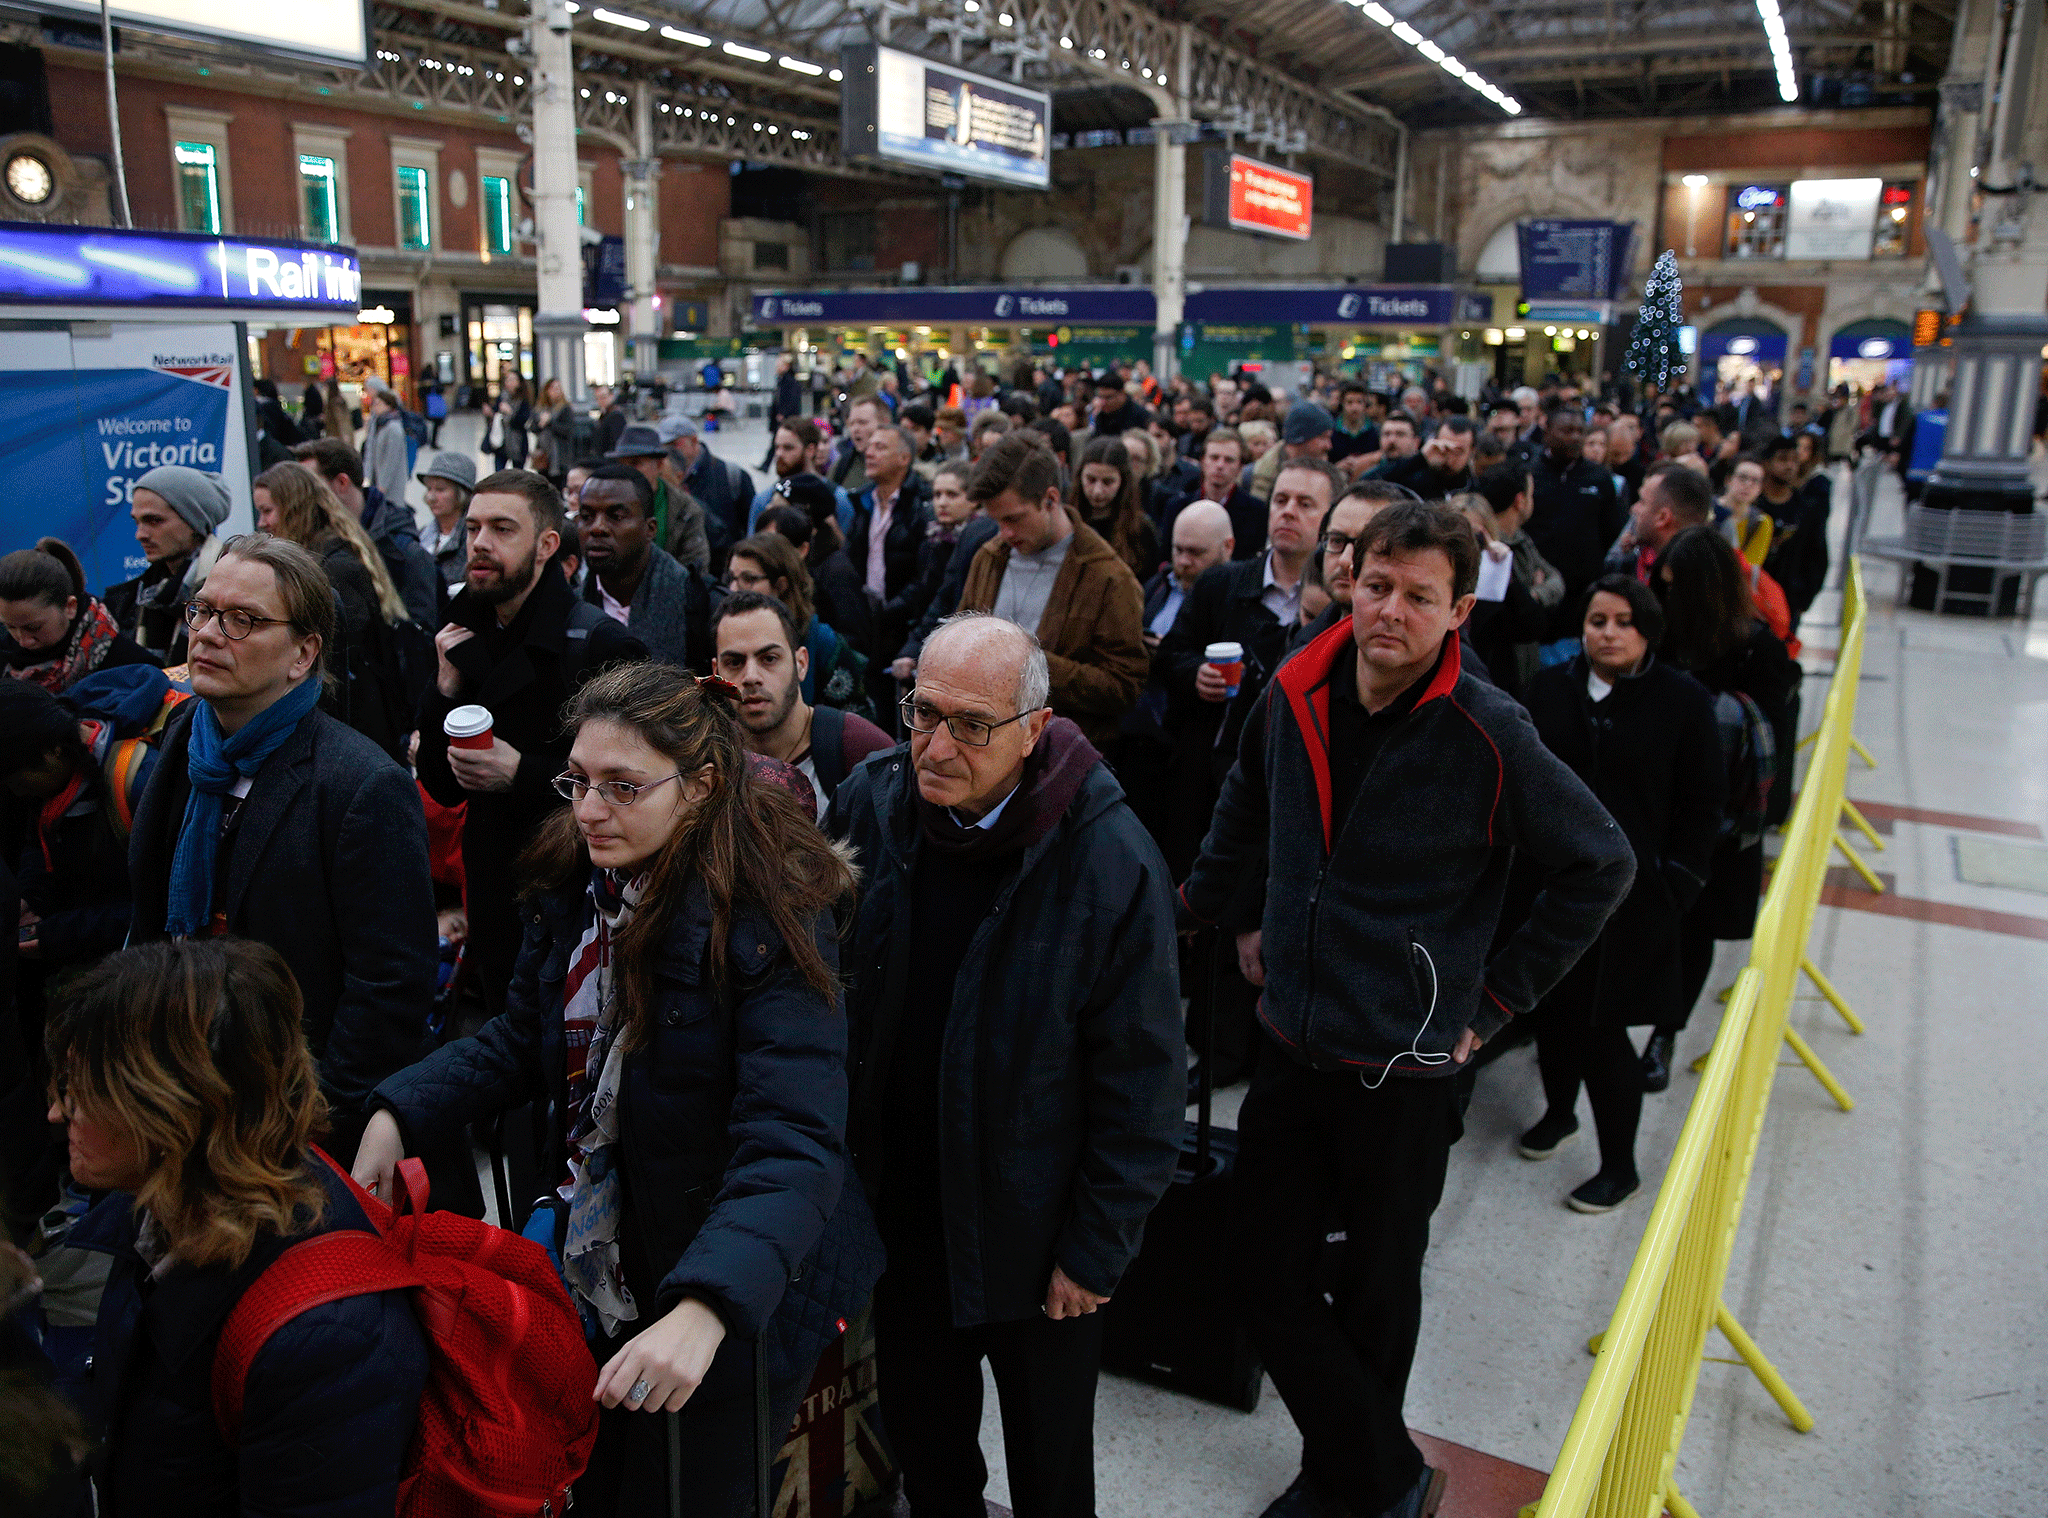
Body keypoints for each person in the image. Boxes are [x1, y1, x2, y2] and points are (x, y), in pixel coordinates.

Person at [1180, 501, 1634, 1518]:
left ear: (1458, 609)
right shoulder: (1293, 687)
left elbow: (1600, 861)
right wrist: (1198, 906)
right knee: (1261, 1271)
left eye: (1417, 597)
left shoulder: (1487, 731)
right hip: (1293, 1039)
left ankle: (1345, 1477)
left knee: (1380, 1289)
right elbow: (1246, 802)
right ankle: (1377, 1465)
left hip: (1406, 1065)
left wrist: (1497, 998)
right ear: (1349, 575)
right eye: (1375, 584)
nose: (1388, 610)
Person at [359, 662, 878, 1512]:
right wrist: (399, 1105)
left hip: (731, 1282)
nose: (589, 809)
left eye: (622, 787)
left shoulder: (767, 916)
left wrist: (708, 1305)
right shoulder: (581, 883)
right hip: (605, 1258)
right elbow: (525, 1041)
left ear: (703, 785)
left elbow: (793, 1139)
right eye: (579, 782)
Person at [825, 612, 1184, 1518]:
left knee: (1049, 1466)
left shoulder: (1108, 861)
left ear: (1033, 731)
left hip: (1038, 1250)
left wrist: (1097, 1251)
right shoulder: (873, 802)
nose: (937, 746)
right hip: (904, 1225)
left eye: (970, 725)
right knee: (928, 1447)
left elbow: (1142, 1084)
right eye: (922, 713)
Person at [52, 938, 429, 1518]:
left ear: (167, 1111)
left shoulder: (329, 1342)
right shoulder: (154, 1206)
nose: (57, 1113)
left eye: (80, 1094)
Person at [126, 534, 437, 1154]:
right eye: (204, 610)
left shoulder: (359, 785)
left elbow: (389, 986)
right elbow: (152, 910)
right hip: (187, 1082)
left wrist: (317, 1115)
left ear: (303, 654)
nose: (210, 633)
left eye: (243, 620)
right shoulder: (188, 735)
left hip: (293, 1113)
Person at [1515, 576, 1724, 1212]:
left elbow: (1701, 807)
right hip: (1550, 890)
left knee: (1604, 1031)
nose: (1608, 632)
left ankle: (1619, 1166)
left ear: (1648, 631)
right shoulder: (1551, 688)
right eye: (1597, 619)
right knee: (1550, 1011)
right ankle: (1558, 1114)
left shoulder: (1682, 702)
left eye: (1624, 621)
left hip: (1633, 902)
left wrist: (1677, 885)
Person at [416, 470, 644, 1016]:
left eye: (501, 528)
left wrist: (521, 773)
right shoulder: (461, 631)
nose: (480, 544)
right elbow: (440, 785)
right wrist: (445, 688)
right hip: (494, 895)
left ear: (546, 546)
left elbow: (638, 788)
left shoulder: (599, 643)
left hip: (578, 898)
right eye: (473, 528)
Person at [1640, 526, 1800, 1092]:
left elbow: (1771, 748)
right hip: (1659, 805)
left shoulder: (1756, 649)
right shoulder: (1661, 635)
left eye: (1674, 588)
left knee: (1693, 929)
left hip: (1720, 821)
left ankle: (1666, 1031)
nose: (1663, 598)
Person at [956, 432, 1147, 750]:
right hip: (983, 748)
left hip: (1059, 756)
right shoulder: (989, 557)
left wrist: (1031, 665)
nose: (1006, 533)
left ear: (1051, 499)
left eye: (1014, 519)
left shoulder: (1107, 577)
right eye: (996, 521)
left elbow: (1124, 687)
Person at [252, 463, 416, 760]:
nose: (261, 523)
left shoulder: (334, 568)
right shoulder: (319, 559)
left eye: (267, 511)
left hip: (358, 735)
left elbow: (338, 663)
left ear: (293, 508)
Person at [713, 592, 891, 819]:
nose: (751, 676)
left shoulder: (861, 749)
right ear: (716, 674)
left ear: (801, 663)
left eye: (769, 658)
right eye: (734, 662)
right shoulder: (709, 762)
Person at [575, 463, 717, 673]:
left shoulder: (699, 601)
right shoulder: (569, 609)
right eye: (587, 517)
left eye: (616, 516)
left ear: (650, 529)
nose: (597, 528)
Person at [293, 439, 440, 630]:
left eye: (310, 485)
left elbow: (421, 636)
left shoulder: (401, 549)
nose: (302, 495)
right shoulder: (313, 540)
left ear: (342, 482)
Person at [725, 530, 871, 719]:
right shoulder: (725, 637)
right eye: (731, 578)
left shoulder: (821, 640)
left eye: (749, 579)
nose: (733, 589)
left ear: (781, 585)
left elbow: (855, 717)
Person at [101, 465, 231, 666]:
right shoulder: (130, 600)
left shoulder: (232, 595)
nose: (140, 535)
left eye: (154, 521)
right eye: (137, 522)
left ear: (194, 522)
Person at [1524, 400, 1626, 644]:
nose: (1575, 438)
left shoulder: (1599, 477)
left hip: (1583, 592)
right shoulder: (1529, 474)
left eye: (1580, 431)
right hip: (1539, 588)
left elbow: (1611, 529)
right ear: (1547, 431)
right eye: (1567, 431)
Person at [848, 423, 936, 697]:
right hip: (867, 623)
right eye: (869, 447)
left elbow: (925, 577)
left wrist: (891, 610)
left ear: (904, 458)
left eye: (880, 447)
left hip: (903, 627)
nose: (869, 453)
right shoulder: (862, 501)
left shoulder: (922, 505)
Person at [2, 539, 157, 691]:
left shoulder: (135, 669)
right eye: (10, 627)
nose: (23, 641)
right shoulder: (5, 658)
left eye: (34, 627)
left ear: (70, 607)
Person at [761, 475, 877, 660]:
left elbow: (854, 640)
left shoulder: (835, 570)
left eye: (778, 509)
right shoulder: (785, 563)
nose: (767, 512)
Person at [605, 424, 711, 576]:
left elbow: (696, 566)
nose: (628, 471)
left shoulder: (686, 508)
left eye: (636, 463)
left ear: (660, 464)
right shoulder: (603, 504)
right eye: (622, 464)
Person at [1755, 435, 1830, 630]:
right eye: (1782, 459)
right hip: (1751, 600)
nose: (1789, 466)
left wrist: (1803, 599)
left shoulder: (1807, 511)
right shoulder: (1753, 508)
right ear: (1766, 463)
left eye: (1794, 460)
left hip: (1788, 602)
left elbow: (1818, 555)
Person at [1162, 425, 1266, 561]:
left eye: (1229, 460)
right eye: (1214, 458)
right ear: (1203, 461)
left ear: (1240, 467)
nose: (1220, 465)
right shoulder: (1176, 507)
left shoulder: (1257, 512)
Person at [658, 415, 752, 561]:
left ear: (694, 440)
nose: (666, 451)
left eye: (673, 444)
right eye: (662, 446)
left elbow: (751, 530)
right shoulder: (660, 478)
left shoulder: (730, 476)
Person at [1074, 435, 1160, 582]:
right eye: (1091, 479)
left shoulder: (1140, 530)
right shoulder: (1067, 521)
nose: (1097, 491)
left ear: (1123, 482)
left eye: (1108, 482)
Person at [750, 418, 855, 536]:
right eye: (777, 447)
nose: (779, 454)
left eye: (788, 447)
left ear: (810, 450)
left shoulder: (838, 498)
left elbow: (848, 549)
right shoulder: (764, 500)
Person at [1369, 415, 1477, 501]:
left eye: (1458, 452)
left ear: (1472, 451)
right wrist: (1421, 458)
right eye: (1445, 449)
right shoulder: (1416, 479)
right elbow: (1369, 483)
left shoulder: (1477, 488)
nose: (1450, 458)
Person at [1250, 402, 1334, 502]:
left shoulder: (1327, 471)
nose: (1328, 446)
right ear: (1301, 439)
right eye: (1323, 437)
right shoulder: (1259, 478)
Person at [417, 450, 476, 590]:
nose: (430, 497)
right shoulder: (423, 535)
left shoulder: (471, 538)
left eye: (440, 489)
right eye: (429, 489)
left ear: (461, 494)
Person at [1716, 454, 1774, 566]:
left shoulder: (1761, 522)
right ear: (1728, 480)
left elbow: (1750, 567)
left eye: (1755, 481)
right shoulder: (1708, 508)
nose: (1748, 485)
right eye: (1742, 478)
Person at [361, 382, 411, 505]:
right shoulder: (381, 424)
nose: (374, 407)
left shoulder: (393, 427)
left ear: (389, 406)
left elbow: (391, 459)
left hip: (390, 484)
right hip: (379, 480)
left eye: (378, 404)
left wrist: (383, 485)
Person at [1328, 382, 1381, 475]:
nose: (1354, 407)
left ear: (1365, 404)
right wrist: (1336, 468)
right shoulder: (1330, 431)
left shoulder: (1377, 431)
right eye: (1349, 402)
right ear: (1342, 404)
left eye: (1359, 402)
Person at [490, 371, 531, 471]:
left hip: (518, 443)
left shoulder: (524, 400)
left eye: (513, 379)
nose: (510, 382)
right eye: (508, 379)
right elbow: (495, 416)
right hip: (501, 442)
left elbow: (522, 422)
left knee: (518, 474)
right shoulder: (501, 397)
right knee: (499, 473)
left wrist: (510, 412)